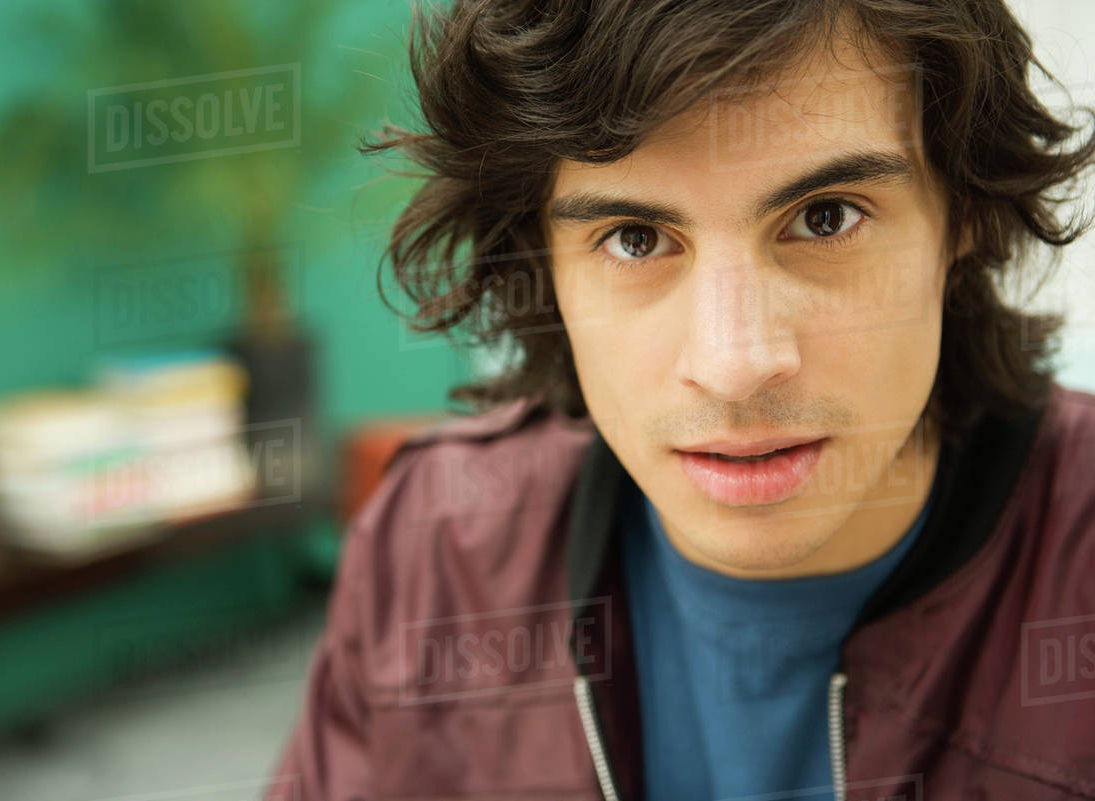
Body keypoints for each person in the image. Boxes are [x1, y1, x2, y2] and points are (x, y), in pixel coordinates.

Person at [267, 1, 1095, 798]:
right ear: (540, 259)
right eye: (636, 239)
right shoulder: (433, 550)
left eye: (826, 217)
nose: (734, 365)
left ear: (966, 217)